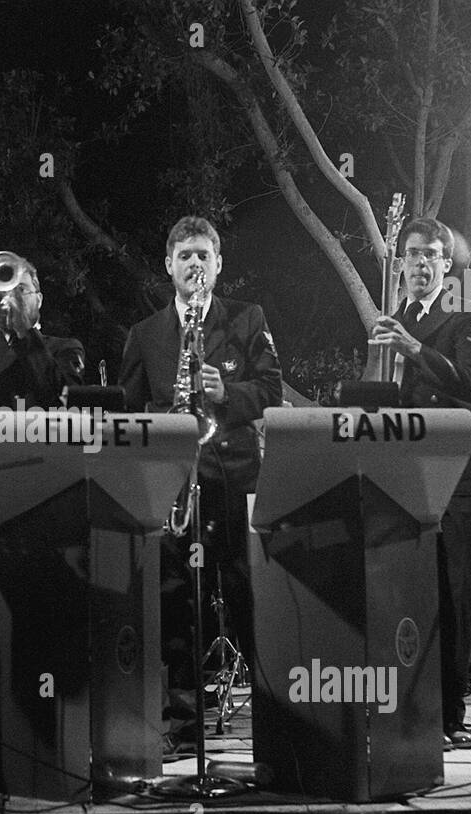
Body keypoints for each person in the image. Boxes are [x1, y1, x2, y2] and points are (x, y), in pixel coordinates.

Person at [119, 216, 283, 753]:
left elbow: (271, 392)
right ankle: (185, 724)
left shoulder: (248, 318)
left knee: (246, 596)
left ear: (218, 265)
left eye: (203, 255)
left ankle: (274, 723)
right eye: (184, 254)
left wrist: (226, 393)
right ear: (169, 265)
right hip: (175, 484)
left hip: (233, 479)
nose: (194, 263)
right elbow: (129, 410)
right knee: (177, 604)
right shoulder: (144, 335)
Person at [369, 216, 471, 751]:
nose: (420, 264)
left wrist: (414, 350)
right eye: (412, 254)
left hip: (462, 479)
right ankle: (414, 709)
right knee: (413, 596)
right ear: (402, 265)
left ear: (447, 264)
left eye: (431, 255)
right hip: (409, 478)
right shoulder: (394, 321)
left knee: (454, 596)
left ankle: (451, 717)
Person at [0, 256, 84, 463]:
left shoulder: (64, 348)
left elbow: (64, 402)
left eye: (20, 290)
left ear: (38, 299)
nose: (12, 297)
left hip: (40, 467)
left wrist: (23, 329)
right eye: (5, 291)